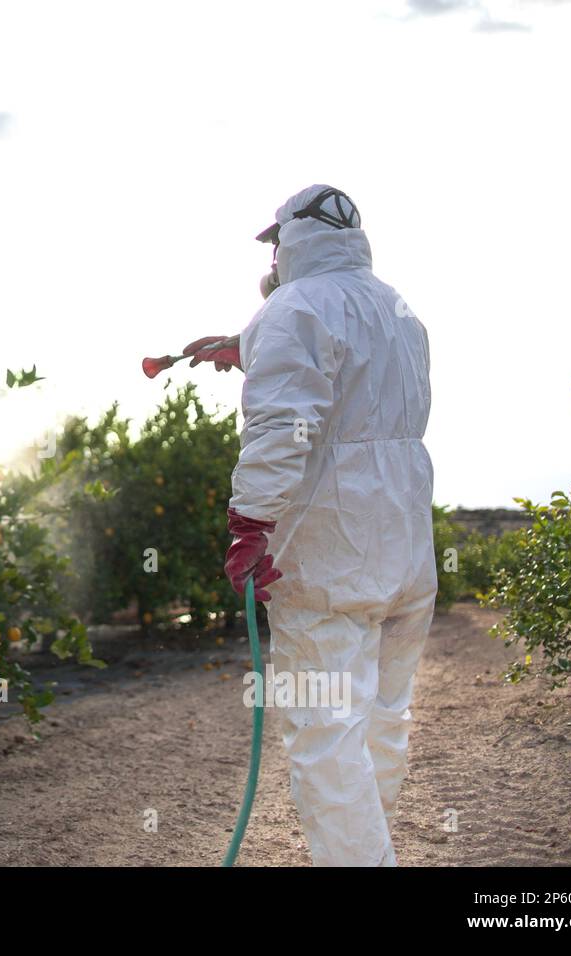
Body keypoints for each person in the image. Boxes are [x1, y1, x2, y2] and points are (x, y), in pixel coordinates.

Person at [185, 185, 436, 867]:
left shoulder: (290, 308)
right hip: (407, 556)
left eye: (274, 243)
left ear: (292, 239)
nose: (271, 255)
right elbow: (357, 385)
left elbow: (283, 431)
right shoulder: (398, 309)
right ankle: (370, 849)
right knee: (382, 722)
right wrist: (248, 346)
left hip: (328, 557)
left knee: (325, 737)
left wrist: (250, 524)